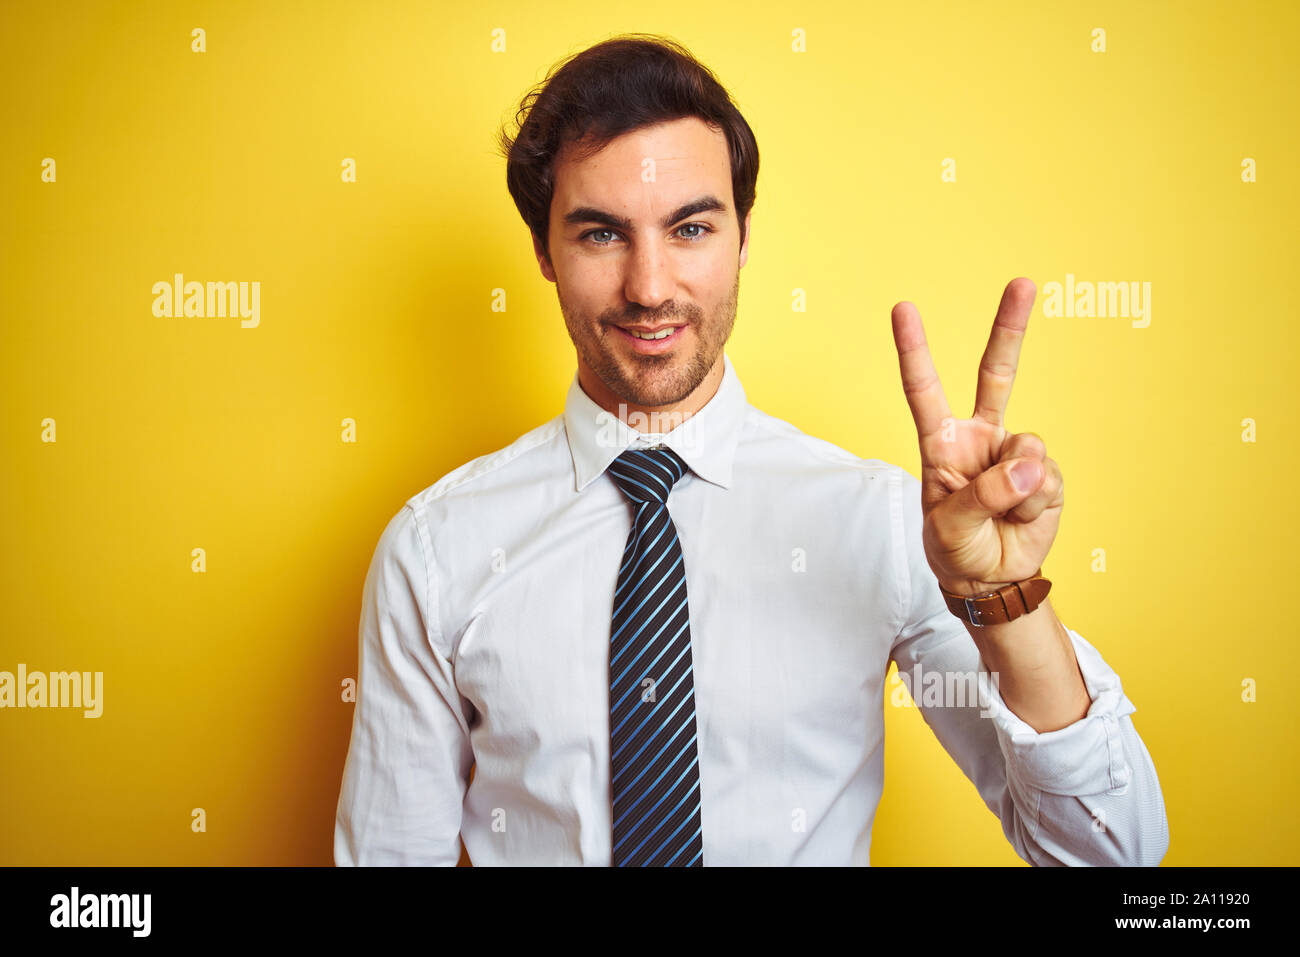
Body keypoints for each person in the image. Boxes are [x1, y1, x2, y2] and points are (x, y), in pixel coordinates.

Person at [333, 33, 1169, 866]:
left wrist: (1004, 598)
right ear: (544, 253)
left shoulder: (883, 523)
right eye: (599, 235)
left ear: (742, 238)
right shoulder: (436, 549)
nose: (650, 285)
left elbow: (1112, 855)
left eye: (690, 227)